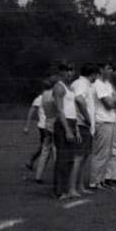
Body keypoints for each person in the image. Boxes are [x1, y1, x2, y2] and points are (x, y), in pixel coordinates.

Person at [51, 62, 82, 199]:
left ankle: (68, 189)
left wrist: (76, 129)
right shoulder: (59, 87)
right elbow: (60, 110)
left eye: (71, 70)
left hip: (72, 122)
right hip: (63, 124)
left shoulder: (70, 88)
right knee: (62, 159)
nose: (69, 73)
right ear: (61, 72)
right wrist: (67, 130)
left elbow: (73, 109)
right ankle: (59, 191)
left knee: (70, 159)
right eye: (67, 71)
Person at [91, 61, 116, 189]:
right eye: (108, 68)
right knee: (101, 153)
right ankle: (94, 181)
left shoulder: (108, 85)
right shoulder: (98, 85)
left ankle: (102, 179)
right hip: (102, 120)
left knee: (108, 153)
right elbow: (109, 104)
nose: (110, 71)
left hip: (111, 119)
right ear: (101, 70)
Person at [70, 62, 97, 194]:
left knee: (84, 156)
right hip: (81, 124)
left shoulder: (85, 84)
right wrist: (87, 117)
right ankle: (72, 188)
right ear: (93, 74)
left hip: (85, 125)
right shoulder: (81, 83)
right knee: (79, 157)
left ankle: (79, 186)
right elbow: (79, 99)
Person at [23, 79, 55, 182]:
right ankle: (31, 161)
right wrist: (27, 125)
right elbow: (31, 111)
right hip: (44, 126)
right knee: (47, 148)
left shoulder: (48, 97)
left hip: (47, 125)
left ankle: (32, 162)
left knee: (44, 147)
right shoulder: (40, 98)